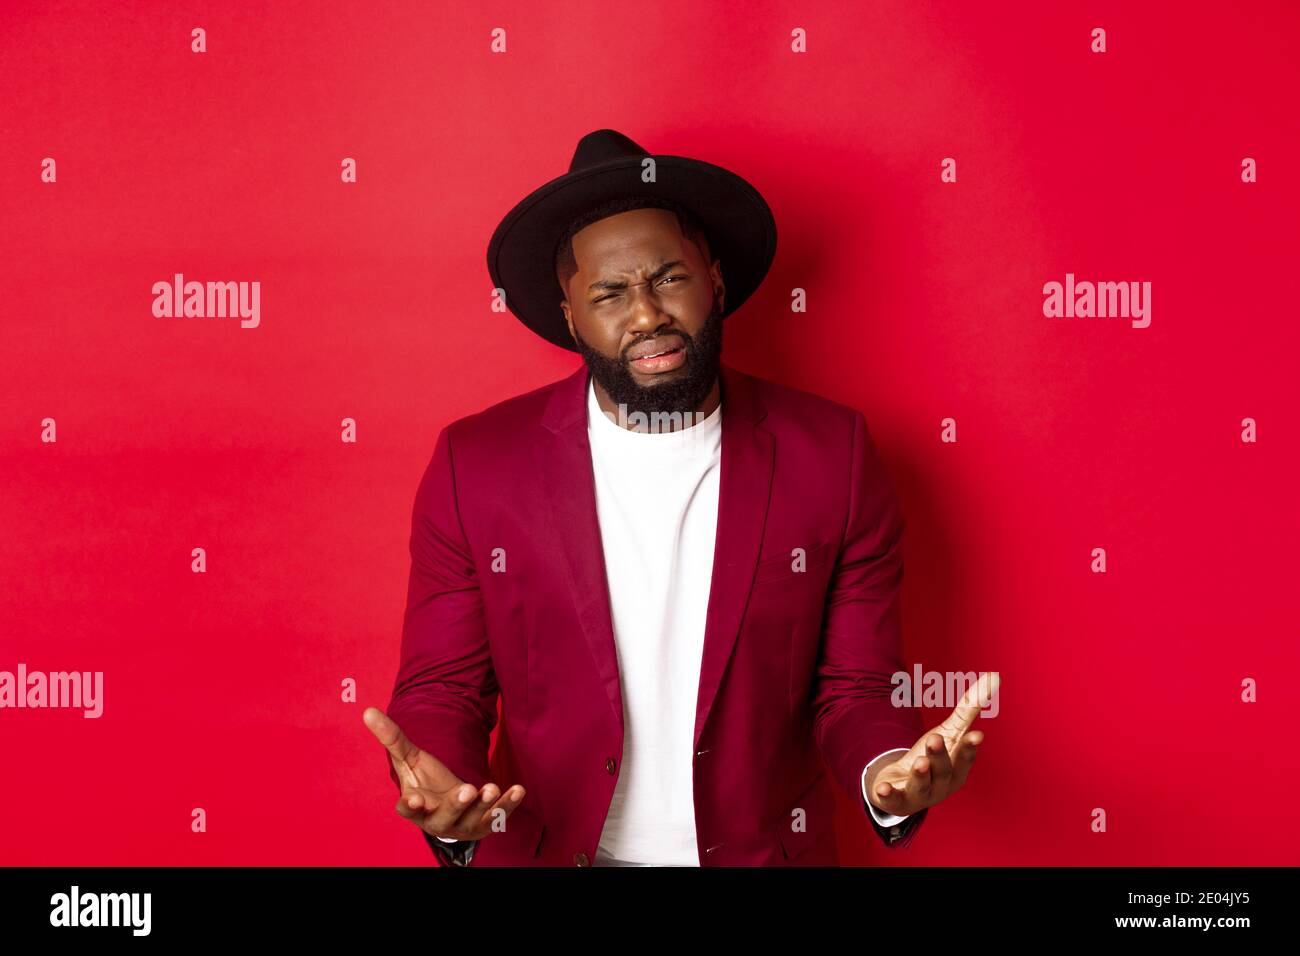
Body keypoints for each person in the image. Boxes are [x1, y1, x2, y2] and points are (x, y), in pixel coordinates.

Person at [363, 129, 995, 866]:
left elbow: (854, 686)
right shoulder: (477, 464)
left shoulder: (836, 456)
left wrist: (884, 773)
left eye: (668, 278)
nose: (645, 315)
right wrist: (448, 796)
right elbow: (443, 687)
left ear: (715, 282)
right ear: (571, 317)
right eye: (608, 293)